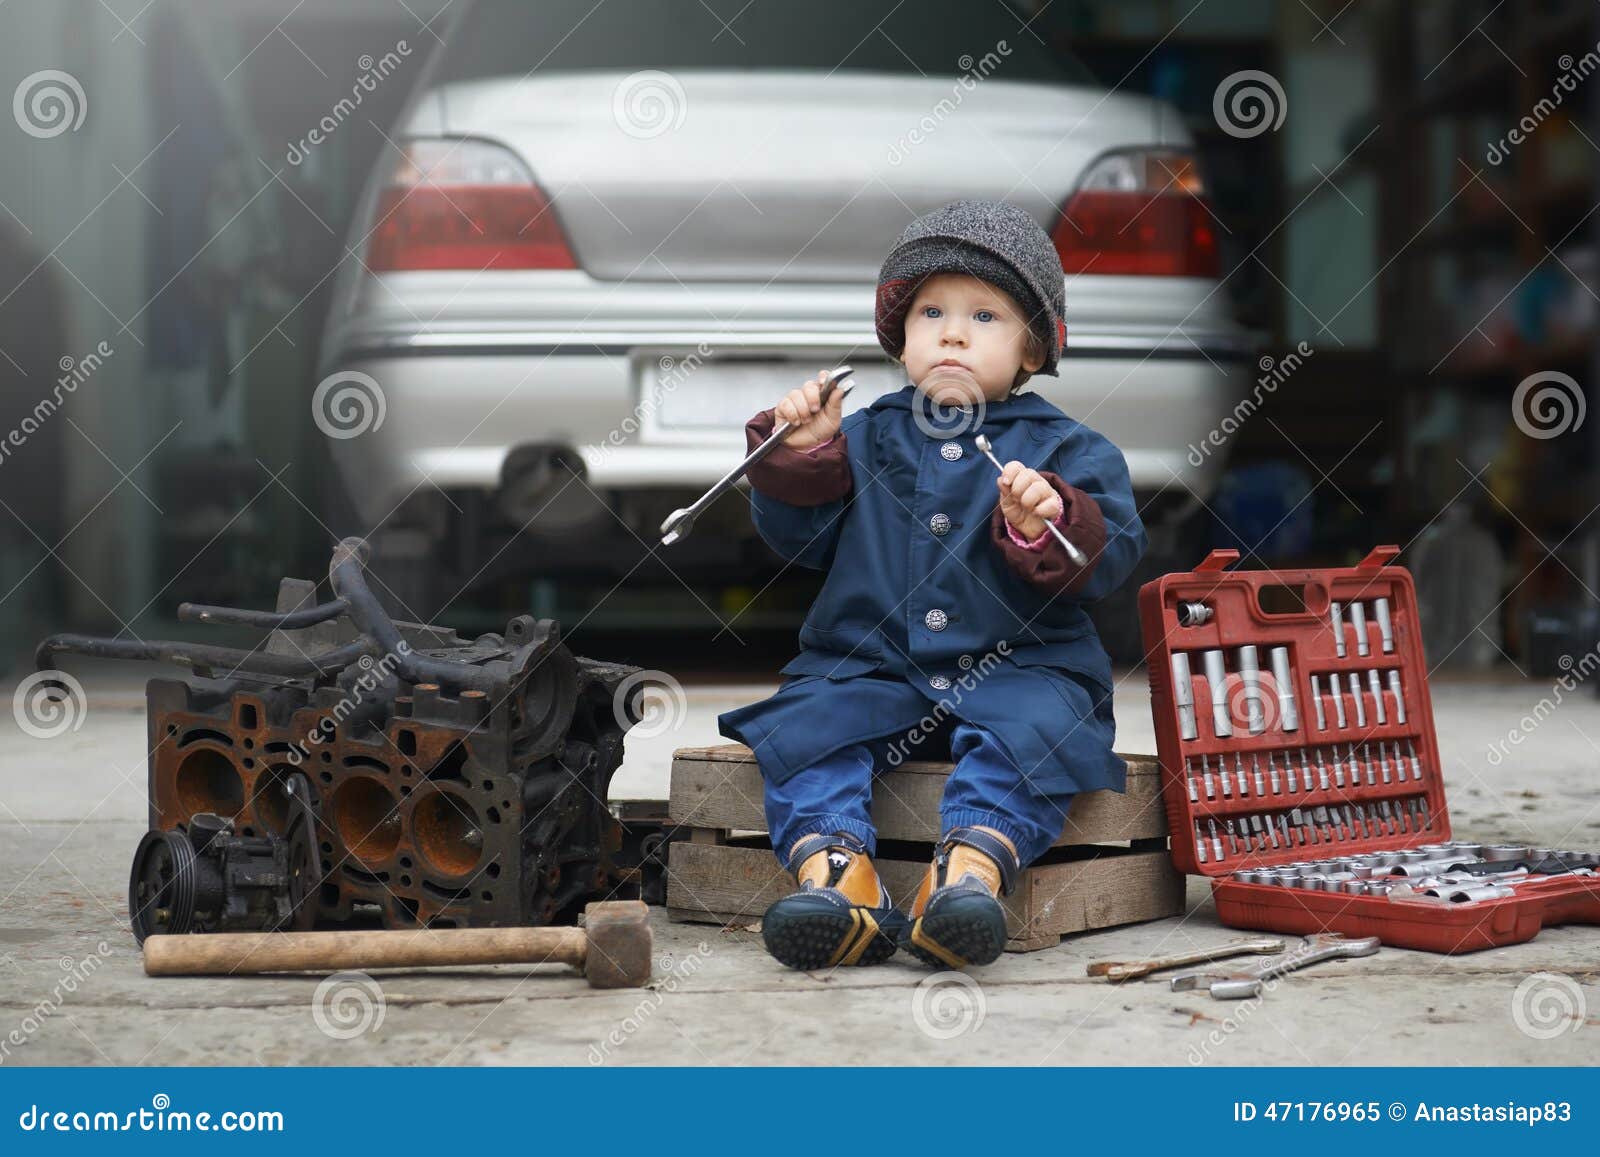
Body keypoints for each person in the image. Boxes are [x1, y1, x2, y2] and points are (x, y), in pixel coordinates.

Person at [717, 199, 1147, 970]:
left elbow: (1108, 558)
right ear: (900, 335)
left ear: (1032, 348)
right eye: (931, 312)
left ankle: (968, 874)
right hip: (871, 665)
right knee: (808, 726)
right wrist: (801, 457)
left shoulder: (1070, 449)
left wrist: (1045, 520)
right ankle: (838, 876)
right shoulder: (861, 434)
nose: (952, 332)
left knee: (1042, 727)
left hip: (1023, 663)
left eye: (985, 315)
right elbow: (797, 544)